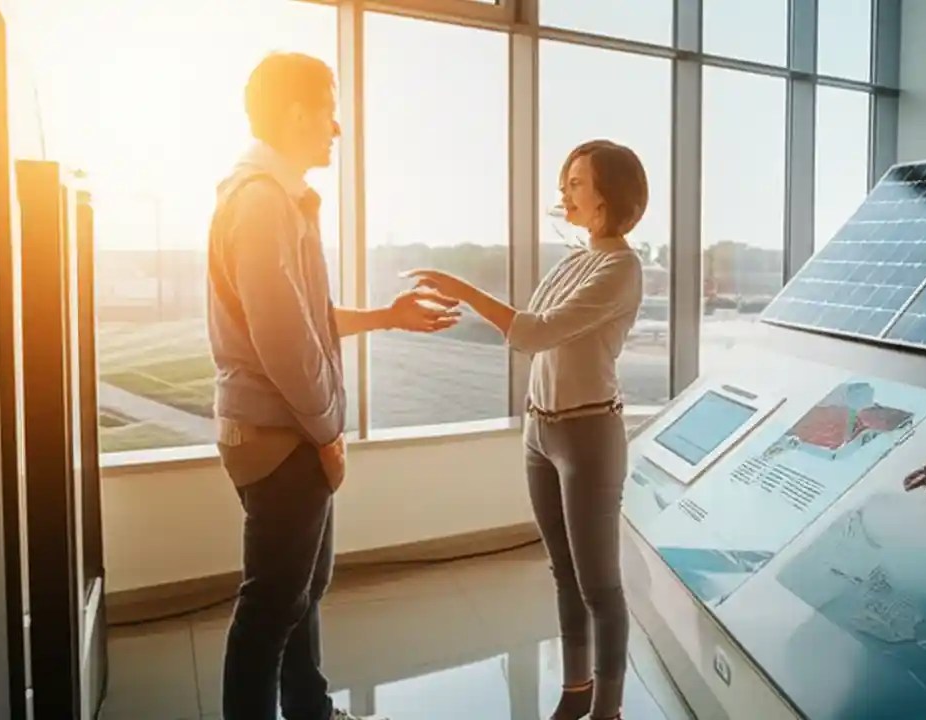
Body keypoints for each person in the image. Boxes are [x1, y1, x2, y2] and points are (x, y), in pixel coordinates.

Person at [207, 52, 458, 720]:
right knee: (272, 606)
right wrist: (327, 437)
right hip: (281, 434)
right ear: (295, 113)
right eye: (327, 110)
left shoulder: (276, 201)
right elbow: (284, 345)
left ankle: (311, 710)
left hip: (285, 429)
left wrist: (387, 317)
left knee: (302, 589)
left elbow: (306, 317)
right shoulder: (261, 204)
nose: (336, 129)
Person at [407, 139, 649, 720]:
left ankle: (607, 710)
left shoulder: (622, 266)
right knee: (564, 574)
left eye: (575, 182)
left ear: (608, 194)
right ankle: (575, 693)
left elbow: (535, 333)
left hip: (588, 436)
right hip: (540, 434)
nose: (563, 191)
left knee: (599, 586)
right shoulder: (573, 260)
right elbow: (531, 333)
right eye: (564, 181)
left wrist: (462, 288)